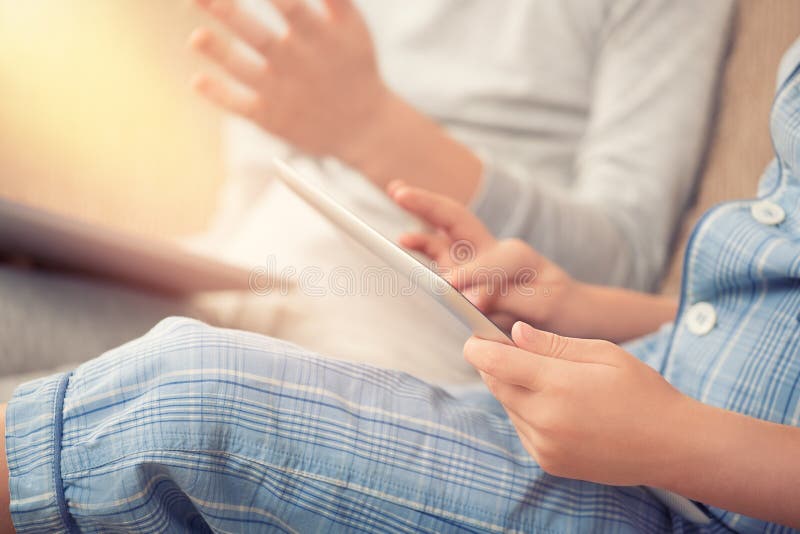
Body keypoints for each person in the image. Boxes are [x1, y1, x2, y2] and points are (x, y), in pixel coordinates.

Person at [2, 36, 799, 533]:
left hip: (675, 467)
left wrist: (371, 131)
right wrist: (588, 310)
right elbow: (757, 297)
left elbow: (623, 242)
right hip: (252, 267)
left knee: (180, 401)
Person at [183, 0, 735, 382]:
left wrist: (373, 129)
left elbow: (616, 270)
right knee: (104, 308)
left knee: (170, 395)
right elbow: (252, 192)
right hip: (247, 275)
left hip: (421, 320)